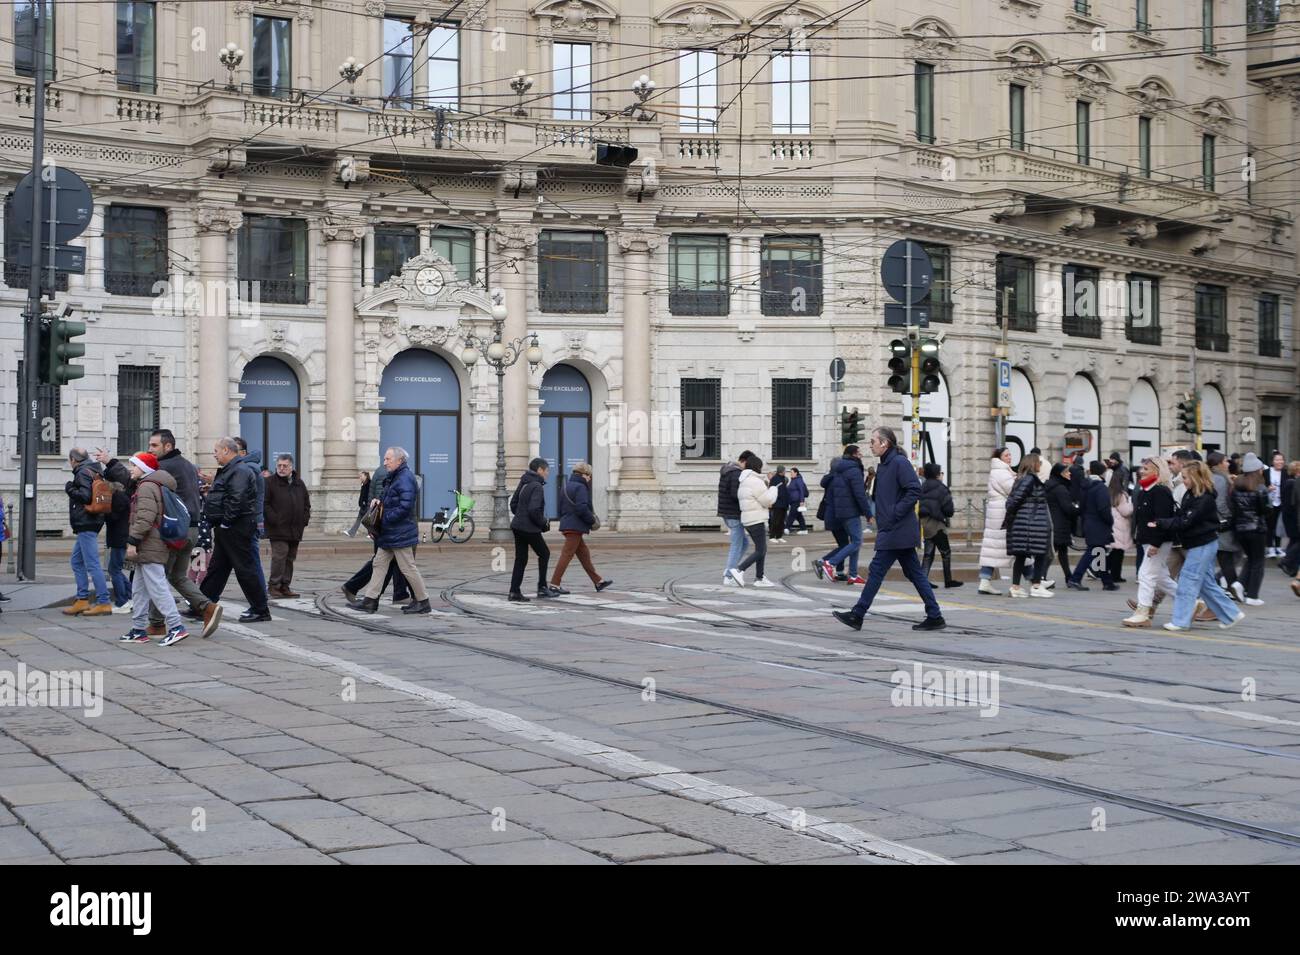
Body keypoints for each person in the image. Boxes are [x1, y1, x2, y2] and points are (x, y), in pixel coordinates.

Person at [832, 427, 945, 632]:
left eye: (873, 441)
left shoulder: (899, 462)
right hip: (892, 528)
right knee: (915, 574)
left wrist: (894, 513)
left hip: (896, 528)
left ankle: (858, 614)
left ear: (884, 443)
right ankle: (935, 615)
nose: (870, 444)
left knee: (876, 571)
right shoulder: (884, 465)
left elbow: (914, 490)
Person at [1148, 461, 1243, 632]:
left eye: (1185, 477)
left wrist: (1161, 523)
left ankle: (1180, 621)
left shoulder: (1204, 498)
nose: (1182, 480)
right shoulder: (1192, 494)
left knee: (1187, 581)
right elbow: (1183, 517)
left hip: (1202, 544)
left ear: (1195, 477)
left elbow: (1186, 521)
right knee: (1206, 584)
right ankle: (1232, 614)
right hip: (1200, 544)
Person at [147, 429, 220, 637]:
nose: (150, 449)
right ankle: (207, 607)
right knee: (178, 576)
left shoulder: (162, 467)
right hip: (192, 528)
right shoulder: (188, 464)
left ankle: (157, 623)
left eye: (154, 446)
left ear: (167, 446)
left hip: (174, 529)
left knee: (158, 576)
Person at [117, 453, 191, 647]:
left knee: (158, 586)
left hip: (150, 544)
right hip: (150, 544)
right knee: (139, 589)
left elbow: (145, 519)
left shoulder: (147, 486)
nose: (131, 469)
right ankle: (139, 629)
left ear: (144, 468)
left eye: (134, 465)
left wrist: (132, 541)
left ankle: (176, 627)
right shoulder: (154, 484)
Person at [349, 447, 431, 613]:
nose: (384, 462)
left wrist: (384, 518)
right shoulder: (394, 477)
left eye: (388, 459)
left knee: (408, 567)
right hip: (390, 533)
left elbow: (405, 507)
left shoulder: (405, 478)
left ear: (399, 460)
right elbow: (389, 500)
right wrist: (378, 502)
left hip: (400, 532)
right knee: (379, 564)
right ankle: (370, 601)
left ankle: (423, 601)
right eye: (385, 459)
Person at [199, 437, 271, 623]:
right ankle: (202, 605)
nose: (214, 454)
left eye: (216, 450)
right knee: (217, 568)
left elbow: (237, 499)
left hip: (236, 527)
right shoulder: (230, 469)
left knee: (245, 569)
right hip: (227, 527)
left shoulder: (239, 470)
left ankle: (260, 610)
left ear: (226, 450)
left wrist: (226, 522)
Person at [343, 461, 412, 605]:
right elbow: (385, 501)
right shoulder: (389, 475)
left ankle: (397, 594)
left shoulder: (385, 473)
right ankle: (356, 588)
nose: (387, 462)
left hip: (384, 525)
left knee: (390, 562)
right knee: (383, 561)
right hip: (387, 526)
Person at [1124, 457, 1180, 627]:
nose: (1142, 471)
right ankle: (1190, 601)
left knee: (1146, 574)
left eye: (1146, 468)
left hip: (1159, 541)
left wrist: (1155, 544)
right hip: (1147, 540)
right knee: (1162, 577)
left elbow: (1162, 520)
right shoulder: (1144, 490)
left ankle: (1143, 612)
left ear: (1157, 471)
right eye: (1142, 468)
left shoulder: (1161, 491)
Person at [62, 448, 113, 617]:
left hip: (86, 522)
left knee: (92, 564)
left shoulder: (82, 473)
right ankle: (82, 599)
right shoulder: (93, 470)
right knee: (76, 561)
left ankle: (103, 602)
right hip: (91, 521)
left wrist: (69, 488)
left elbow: (85, 496)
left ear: (73, 460)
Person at [551, 461, 611, 594]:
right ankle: (554, 584)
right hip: (575, 526)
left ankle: (598, 582)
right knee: (566, 555)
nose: (589, 478)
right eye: (589, 476)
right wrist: (591, 521)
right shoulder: (580, 487)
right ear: (584, 474)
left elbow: (560, 507)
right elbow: (581, 508)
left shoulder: (566, 486)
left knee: (584, 554)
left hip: (568, 524)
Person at [818, 446, 872, 586]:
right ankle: (830, 563)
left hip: (841, 512)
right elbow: (859, 494)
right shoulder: (854, 470)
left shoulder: (839, 469)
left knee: (854, 542)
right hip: (851, 511)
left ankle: (853, 575)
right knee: (856, 542)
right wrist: (868, 514)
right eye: (859, 453)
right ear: (854, 455)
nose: (861, 455)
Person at [1003, 453, 1053, 598]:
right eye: (1038, 462)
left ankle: (1016, 587)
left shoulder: (1024, 478)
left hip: (1026, 522)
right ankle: (1036, 586)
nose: (1040, 465)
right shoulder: (1030, 479)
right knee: (1040, 554)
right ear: (1033, 463)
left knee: (1022, 555)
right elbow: (1015, 500)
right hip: (1031, 523)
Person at [507, 458, 557, 602]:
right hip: (529, 528)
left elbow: (513, 503)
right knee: (544, 554)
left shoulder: (524, 481)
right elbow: (534, 510)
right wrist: (543, 523)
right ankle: (542, 587)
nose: (547, 474)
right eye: (547, 470)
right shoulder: (536, 486)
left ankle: (514, 591)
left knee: (521, 559)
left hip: (517, 526)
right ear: (540, 470)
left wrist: (521, 515)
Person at [264, 453, 311, 599]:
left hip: (295, 528)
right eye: (279, 465)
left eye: (285, 466)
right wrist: (275, 519)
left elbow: (306, 504)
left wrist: (304, 519)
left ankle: (285, 586)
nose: (281, 468)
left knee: (290, 558)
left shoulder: (299, 483)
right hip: (278, 528)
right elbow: (264, 504)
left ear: (291, 467)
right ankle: (274, 586)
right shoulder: (270, 482)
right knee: (280, 556)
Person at [93, 449, 134, 612]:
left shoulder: (117, 497)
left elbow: (114, 517)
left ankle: (122, 601)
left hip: (119, 536)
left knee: (114, 569)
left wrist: (105, 512)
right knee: (116, 568)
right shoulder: (122, 495)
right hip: (122, 535)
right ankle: (129, 596)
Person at [1067, 460, 1116, 591]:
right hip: (1099, 524)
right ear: (1102, 473)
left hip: (1088, 523)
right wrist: (1110, 521)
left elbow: (1081, 506)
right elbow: (1104, 509)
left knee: (1099, 551)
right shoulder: (1101, 488)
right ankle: (1075, 578)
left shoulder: (1085, 486)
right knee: (1093, 552)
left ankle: (1107, 581)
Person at [1230, 452, 1271, 607]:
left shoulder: (1236, 486)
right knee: (1258, 561)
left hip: (1240, 529)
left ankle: (1240, 584)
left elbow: (1233, 507)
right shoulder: (1260, 488)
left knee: (1251, 558)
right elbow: (1267, 510)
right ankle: (1252, 595)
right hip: (1257, 528)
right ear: (1257, 470)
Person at [730, 455, 778, 587]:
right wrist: (774, 489)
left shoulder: (744, 480)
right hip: (756, 518)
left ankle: (759, 577)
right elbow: (767, 501)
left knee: (761, 548)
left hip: (748, 518)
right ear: (757, 467)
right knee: (761, 550)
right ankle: (739, 570)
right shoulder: (755, 481)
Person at [976, 448, 1015, 595]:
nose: (1009, 457)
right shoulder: (1002, 472)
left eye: (1010, 454)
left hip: (996, 512)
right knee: (1017, 547)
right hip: (1002, 512)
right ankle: (1035, 580)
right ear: (999, 457)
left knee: (992, 550)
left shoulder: (1000, 470)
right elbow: (1012, 489)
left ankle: (985, 581)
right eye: (1006, 455)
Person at [234, 437, 269, 597]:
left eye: (232, 450)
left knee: (252, 561)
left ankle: (260, 596)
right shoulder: (245, 467)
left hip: (248, 521)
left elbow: (244, 496)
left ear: (242, 452)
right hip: (244, 520)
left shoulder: (249, 469)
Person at [919, 462, 962, 589]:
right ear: (937, 475)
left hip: (925, 524)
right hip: (937, 525)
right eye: (941, 473)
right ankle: (948, 580)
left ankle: (923, 580)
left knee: (928, 553)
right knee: (946, 552)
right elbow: (949, 509)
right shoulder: (941, 488)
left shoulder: (923, 487)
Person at [1208, 451, 1244, 601]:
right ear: (1218, 463)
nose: (1228, 463)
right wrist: (1228, 517)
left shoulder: (1217, 477)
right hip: (1221, 523)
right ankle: (1232, 586)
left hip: (1216, 522)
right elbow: (1220, 502)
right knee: (1226, 556)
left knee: (1225, 556)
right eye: (1225, 461)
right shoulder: (1220, 479)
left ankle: (1229, 585)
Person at [718, 451, 756, 587]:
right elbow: (735, 494)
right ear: (744, 461)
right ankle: (729, 575)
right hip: (733, 513)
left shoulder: (727, 470)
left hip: (726, 512)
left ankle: (729, 569)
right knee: (737, 544)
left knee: (744, 543)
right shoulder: (736, 473)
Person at [1044, 463, 1077, 583]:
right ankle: (1040, 578)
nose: (1069, 474)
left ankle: (1069, 576)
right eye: (1067, 472)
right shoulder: (1060, 488)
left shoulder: (1050, 485)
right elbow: (1067, 508)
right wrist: (1078, 509)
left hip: (1054, 523)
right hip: (1059, 525)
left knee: (1061, 552)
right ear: (1060, 474)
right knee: (1053, 553)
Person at [1107, 465, 1134, 584]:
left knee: (1114, 552)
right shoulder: (1121, 495)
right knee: (1118, 553)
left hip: (1113, 524)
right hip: (1120, 526)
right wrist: (1132, 503)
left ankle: (1100, 570)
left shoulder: (1109, 492)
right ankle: (1116, 576)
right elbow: (1126, 511)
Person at [1266, 450, 1286, 558]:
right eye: (1277, 459)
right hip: (1269, 504)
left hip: (1281, 503)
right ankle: (1270, 548)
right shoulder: (1267, 472)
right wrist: (1267, 488)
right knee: (1270, 526)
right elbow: (1261, 486)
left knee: (1279, 526)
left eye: (1281, 459)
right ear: (1272, 461)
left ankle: (1278, 547)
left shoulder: (1285, 473)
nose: (1280, 462)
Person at [785, 467, 809, 535]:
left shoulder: (798, 480)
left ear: (796, 473)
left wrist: (802, 501)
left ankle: (787, 528)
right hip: (793, 500)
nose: (791, 474)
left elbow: (801, 491)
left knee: (791, 514)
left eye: (792, 473)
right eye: (790, 473)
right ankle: (804, 529)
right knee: (799, 516)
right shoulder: (793, 480)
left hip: (797, 500)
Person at [768, 465, 789, 544]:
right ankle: (772, 536)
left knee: (781, 521)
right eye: (784, 470)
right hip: (777, 503)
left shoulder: (783, 478)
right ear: (781, 471)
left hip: (784, 503)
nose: (785, 472)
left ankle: (779, 536)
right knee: (775, 520)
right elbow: (772, 490)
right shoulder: (774, 479)